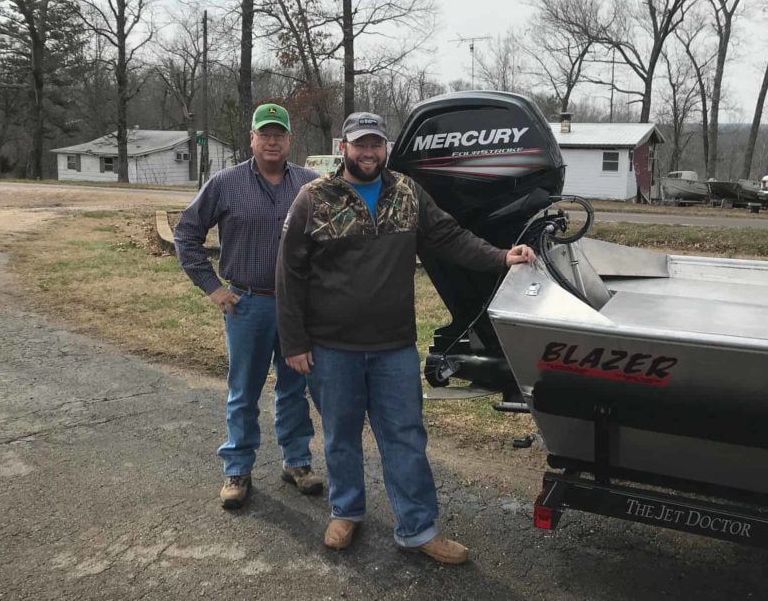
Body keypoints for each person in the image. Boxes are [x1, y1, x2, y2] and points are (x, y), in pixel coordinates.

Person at [276, 111, 535, 564]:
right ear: (344, 148)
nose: (369, 152)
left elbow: (449, 238)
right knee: (340, 435)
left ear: (386, 148)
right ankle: (346, 511)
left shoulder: (407, 193)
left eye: (376, 144)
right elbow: (290, 274)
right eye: (361, 144)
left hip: (393, 346)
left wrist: (501, 257)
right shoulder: (314, 198)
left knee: (405, 437)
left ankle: (417, 528)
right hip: (331, 346)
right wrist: (294, 343)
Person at [174, 103, 323, 509]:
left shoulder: (312, 185)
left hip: (297, 308)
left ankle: (297, 463)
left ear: (290, 140)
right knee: (244, 391)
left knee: (296, 387)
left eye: (279, 134)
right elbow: (185, 234)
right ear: (252, 139)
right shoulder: (225, 183)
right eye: (265, 134)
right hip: (247, 304)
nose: (272, 141)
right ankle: (237, 469)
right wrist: (212, 287)